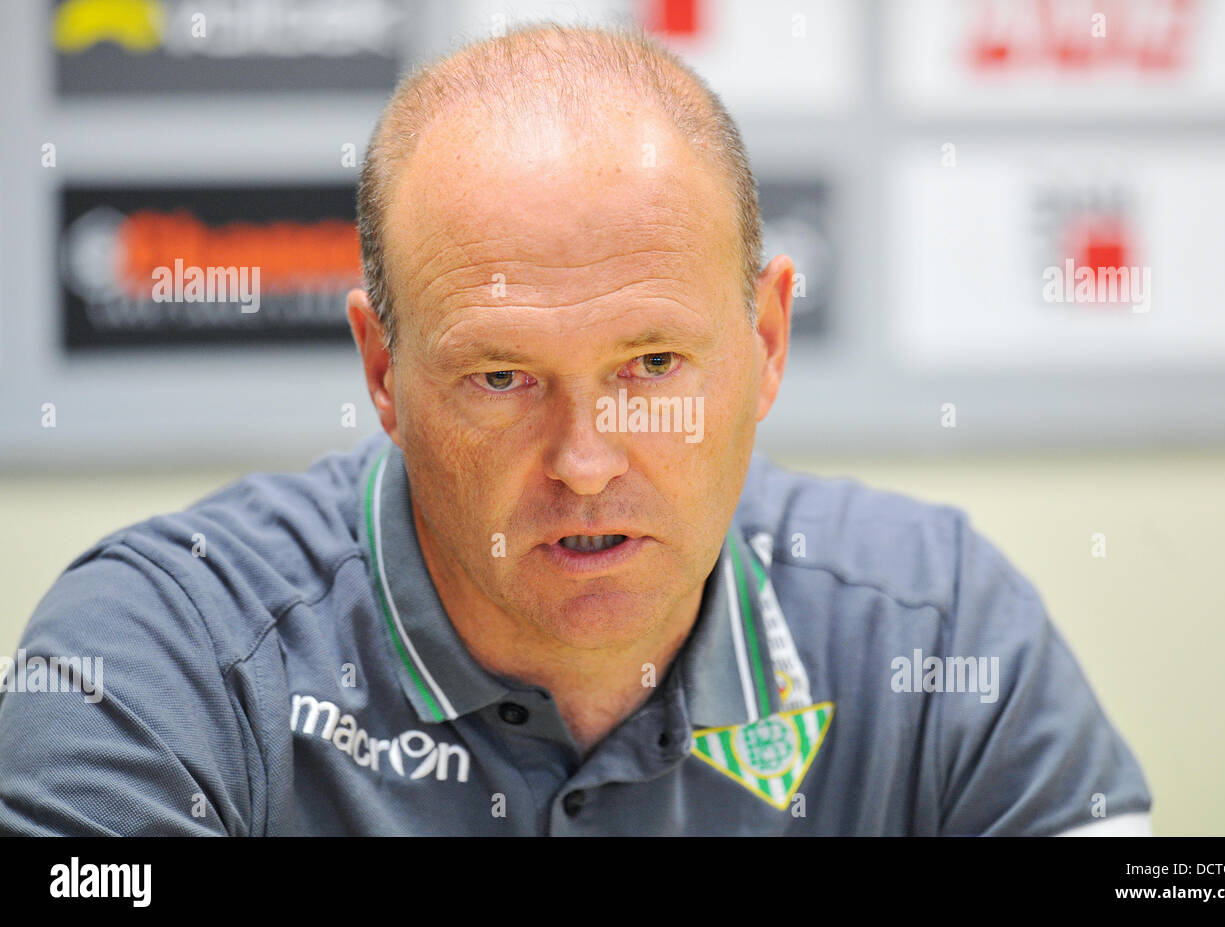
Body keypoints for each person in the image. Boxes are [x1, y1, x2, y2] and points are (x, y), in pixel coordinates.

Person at [0, 22, 1151, 836]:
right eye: (502, 378)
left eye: (652, 364)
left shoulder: (943, 632)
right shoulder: (158, 656)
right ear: (384, 371)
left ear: (765, 341)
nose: (587, 462)